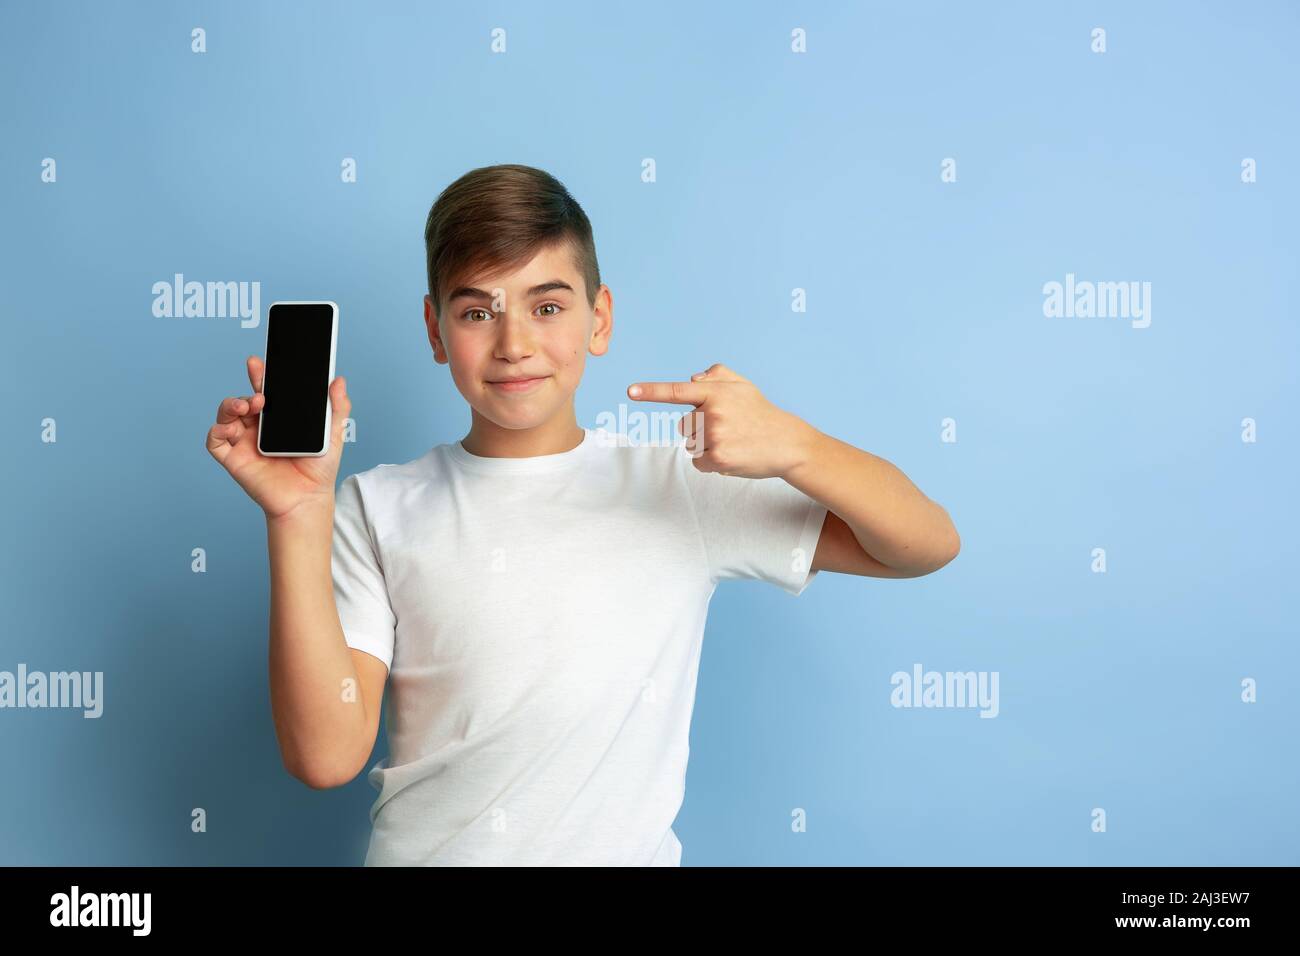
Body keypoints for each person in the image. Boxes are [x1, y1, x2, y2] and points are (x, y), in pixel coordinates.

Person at [205, 163, 960, 866]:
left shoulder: (684, 485)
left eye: (548, 305)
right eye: (478, 311)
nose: (515, 343)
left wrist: (797, 446)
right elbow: (325, 756)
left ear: (599, 320)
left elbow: (925, 544)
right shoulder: (377, 506)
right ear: (436, 332)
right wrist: (298, 516)